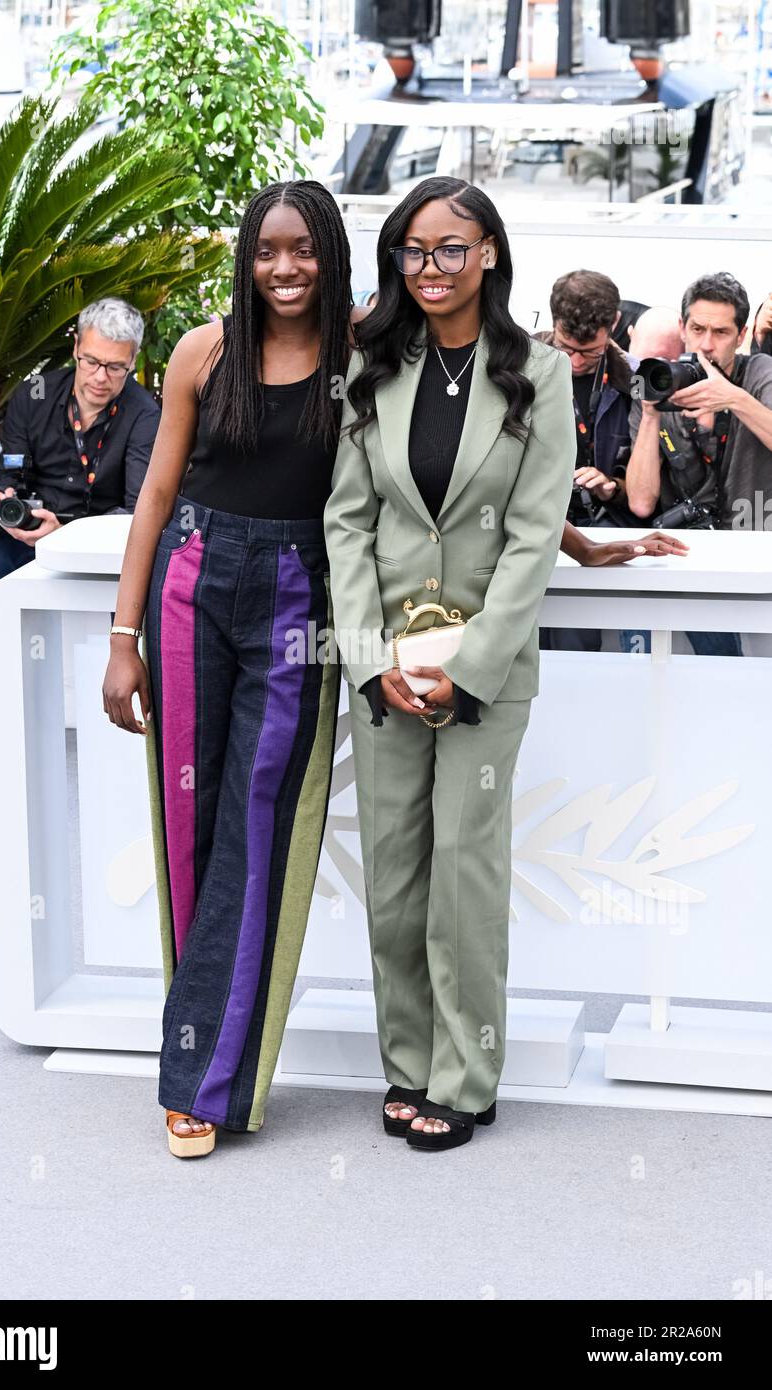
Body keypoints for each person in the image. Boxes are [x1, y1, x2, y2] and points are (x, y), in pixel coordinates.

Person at [102, 180, 364, 1158]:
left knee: (252, 830)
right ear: (247, 257)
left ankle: (200, 1080)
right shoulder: (202, 352)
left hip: (301, 598)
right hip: (192, 585)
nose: (284, 268)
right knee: (189, 821)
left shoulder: (358, 364)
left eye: (301, 250)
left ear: (328, 254)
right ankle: (203, 1053)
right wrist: (122, 638)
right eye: (266, 250)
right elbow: (158, 492)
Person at [324, 176, 576, 1152]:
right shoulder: (374, 368)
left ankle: (465, 1076)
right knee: (392, 877)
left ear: (488, 255)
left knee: (464, 875)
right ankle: (407, 1063)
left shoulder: (537, 374)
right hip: (384, 668)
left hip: (479, 673)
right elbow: (347, 519)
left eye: (448, 248)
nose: (428, 267)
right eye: (411, 251)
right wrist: (367, 653)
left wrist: (464, 663)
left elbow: (531, 533)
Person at [0, 298, 159, 609]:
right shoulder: (34, 394)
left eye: (115, 367)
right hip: (28, 533)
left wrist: (68, 536)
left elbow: (137, 512)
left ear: (133, 358)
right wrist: (3, 500)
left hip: (99, 547)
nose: (101, 377)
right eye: (91, 361)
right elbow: (12, 473)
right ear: (75, 347)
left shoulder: (145, 415)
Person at [621, 302, 744, 656]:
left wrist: (730, 402)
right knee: (640, 665)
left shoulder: (741, 386)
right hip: (673, 556)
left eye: (662, 364)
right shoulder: (647, 401)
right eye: (642, 364)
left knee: (725, 665)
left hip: (736, 554)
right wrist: (649, 415)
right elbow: (641, 503)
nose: (654, 374)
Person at [534, 269, 646, 653]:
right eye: (567, 349)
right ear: (552, 324)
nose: (578, 362)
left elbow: (650, 491)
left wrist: (612, 486)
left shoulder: (635, 379)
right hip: (529, 532)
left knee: (581, 657)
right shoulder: (516, 368)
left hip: (603, 533)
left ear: (614, 324)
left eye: (591, 352)